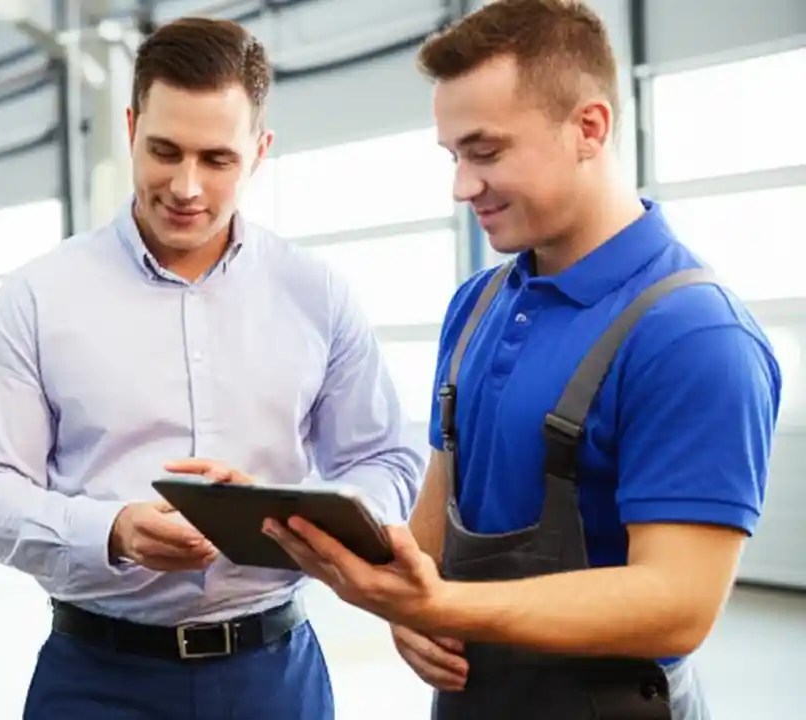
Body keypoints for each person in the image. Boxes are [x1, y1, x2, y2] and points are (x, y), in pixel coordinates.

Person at [194, 1, 782, 718]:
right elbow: (434, 530)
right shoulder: (476, 305)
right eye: (454, 156)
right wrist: (291, 516)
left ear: (590, 128)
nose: (462, 186)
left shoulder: (694, 335)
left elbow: (676, 603)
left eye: (486, 152)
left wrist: (443, 605)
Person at [0, 16, 426, 720]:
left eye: (217, 159)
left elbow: (387, 461)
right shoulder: (40, 296)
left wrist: (294, 514)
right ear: (131, 128)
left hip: (273, 677)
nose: (186, 186)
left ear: (259, 153)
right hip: (97, 679)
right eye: (164, 151)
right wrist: (112, 530)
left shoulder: (317, 294)